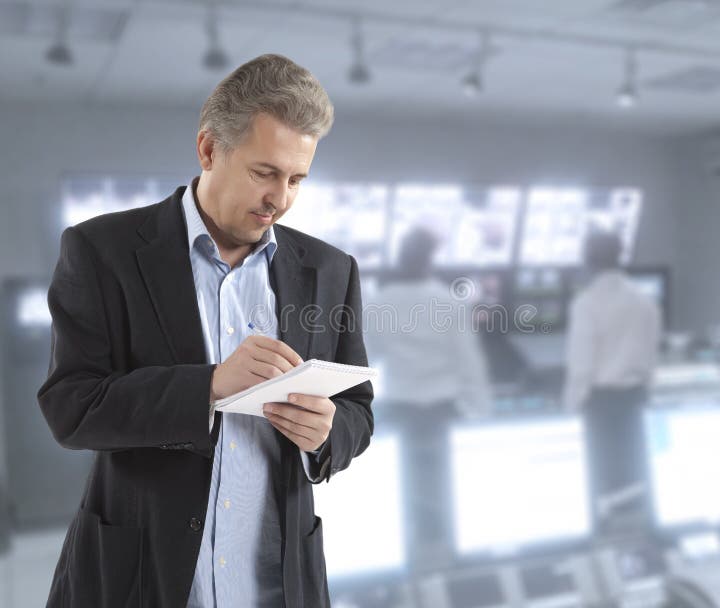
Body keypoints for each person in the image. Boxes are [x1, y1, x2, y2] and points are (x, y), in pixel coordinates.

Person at [37, 54, 374, 608]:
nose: (280, 199)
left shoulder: (331, 271)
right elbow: (70, 407)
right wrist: (209, 386)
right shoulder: (102, 251)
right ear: (210, 149)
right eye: (264, 173)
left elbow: (358, 408)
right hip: (141, 579)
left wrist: (327, 434)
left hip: (280, 585)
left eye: (296, 179)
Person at [366, 227, 491, 569]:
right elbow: (469, 363)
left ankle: (415, 561)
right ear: (429, 260)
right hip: (443, 411)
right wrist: (482, 414)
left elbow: (371, 355)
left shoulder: (378, 303)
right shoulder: (448, 301)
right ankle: (448, 560)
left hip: (401, 411)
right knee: (446, 488)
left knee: (407, 490)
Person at [563, 230, 661, 509]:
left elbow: (581, 368)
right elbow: (651, 357)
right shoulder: (645, 302)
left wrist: (569, 411)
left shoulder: (586, 304)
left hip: (601, 406)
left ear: (587, 260)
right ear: (621, 256)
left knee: (601, 487)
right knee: (635, 482)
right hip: (637, 401)